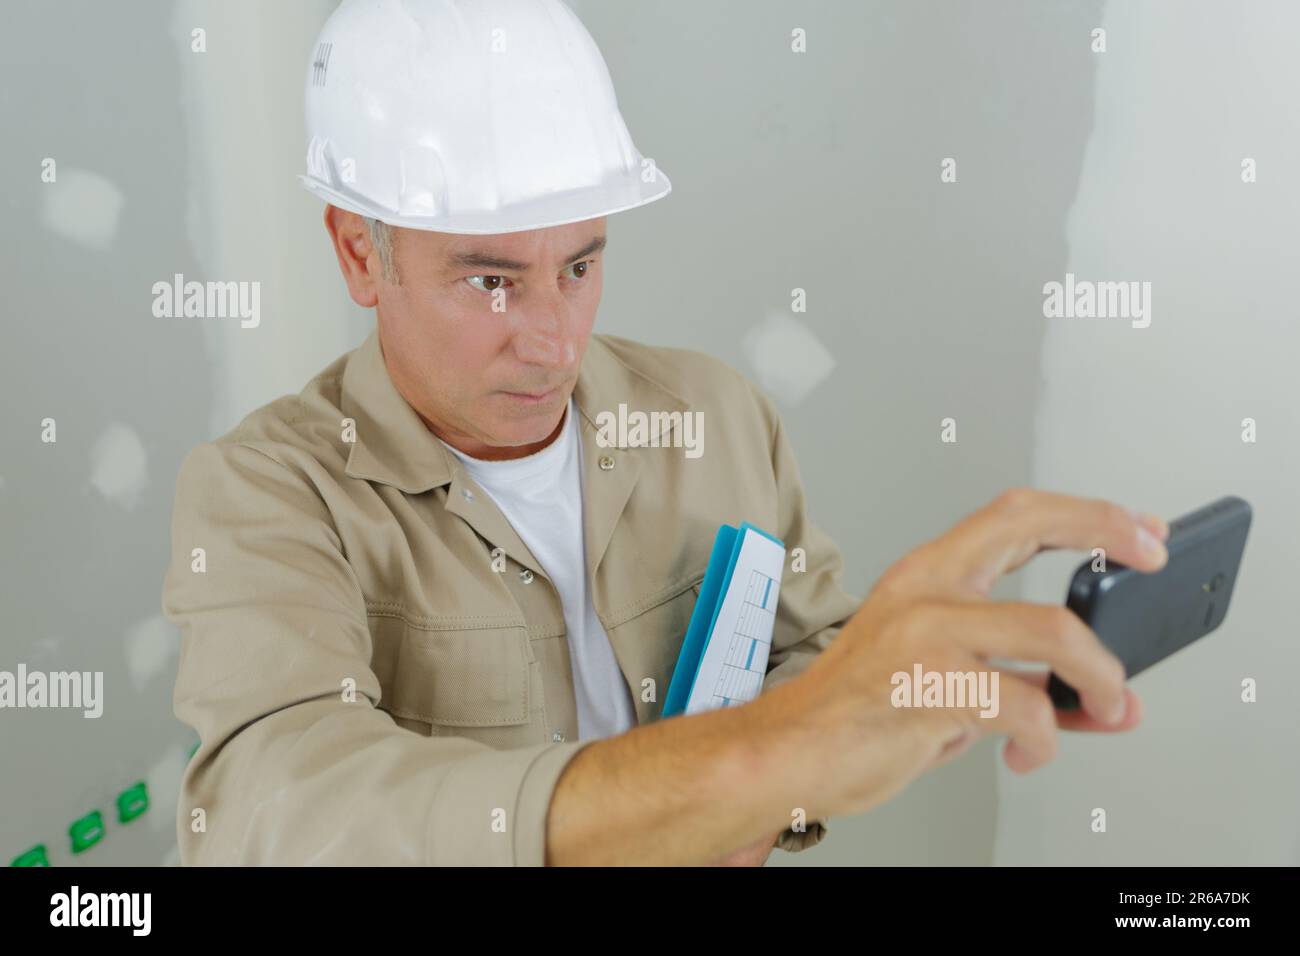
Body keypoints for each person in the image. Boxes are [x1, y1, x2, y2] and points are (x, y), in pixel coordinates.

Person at [163, 0, 1168, 866]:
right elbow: (272, 805)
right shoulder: (264, 491)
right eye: (490, 281)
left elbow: (807, 651)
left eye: (580, 265)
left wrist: (845, 727)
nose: (553, 339)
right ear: (357, 252)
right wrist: (733, 768)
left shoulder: (711, 413)